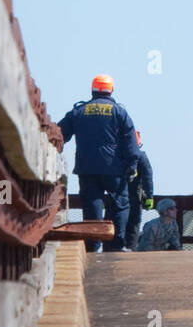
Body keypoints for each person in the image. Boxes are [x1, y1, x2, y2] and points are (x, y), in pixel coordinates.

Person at [57, 74, 139, 253]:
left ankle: (92, 246)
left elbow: (59, 134)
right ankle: (116, 245)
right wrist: (132, 165)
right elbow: (130, 142)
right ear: (111, 90)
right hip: (114, 169)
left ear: (92, 90)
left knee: (92, 205)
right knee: (120, 205)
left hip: (87, 169)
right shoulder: (119, 112)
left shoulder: (79, 111)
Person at [124, 131, 154, 251]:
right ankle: (130, 247)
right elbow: (147, 178)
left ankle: (113, 247)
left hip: (117, 196)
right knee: (133, 223)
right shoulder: (141, 157)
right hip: (134, 197)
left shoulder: (117, 155)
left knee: (117, 220)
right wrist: (149, 197)